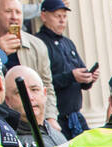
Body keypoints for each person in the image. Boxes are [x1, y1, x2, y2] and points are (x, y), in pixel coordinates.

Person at [0, 0, 58, 130]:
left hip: (31, 117)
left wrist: (50, 117)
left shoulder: (37, 45)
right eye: (8, 11)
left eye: (18, 12)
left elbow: (46, 84)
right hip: (1, 120)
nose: (14, 16)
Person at [37, 0, 96, 139]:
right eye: (58, 16)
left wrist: (89, 78)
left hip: (76, 116)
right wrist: (71, 76)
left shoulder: (68, 43)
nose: (62, 20)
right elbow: (42, 83)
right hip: (56, 118)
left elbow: (82, 80)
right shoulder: (39, 43)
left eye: (64, 16)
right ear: (44, 16)